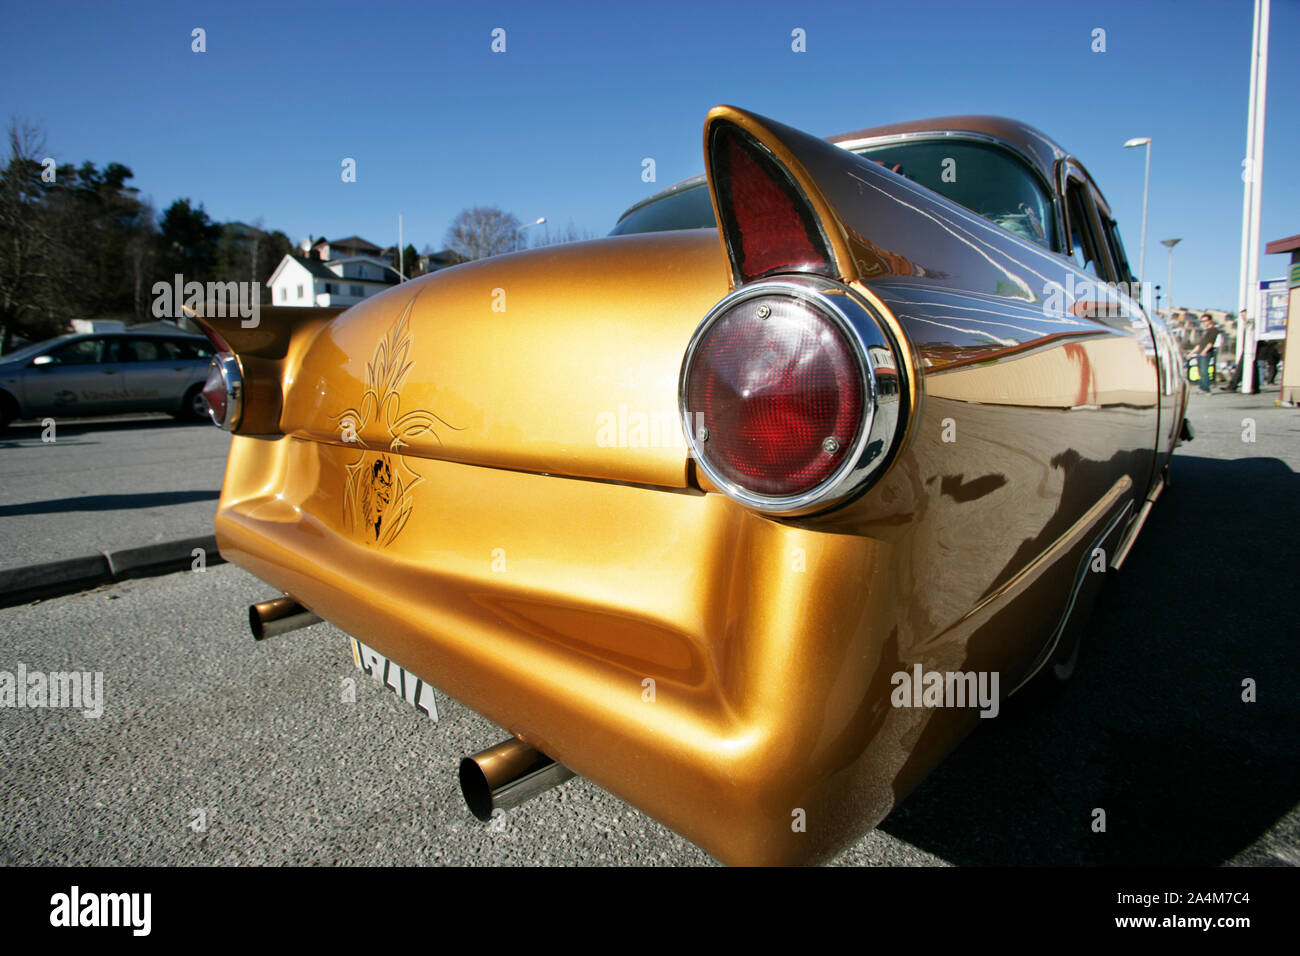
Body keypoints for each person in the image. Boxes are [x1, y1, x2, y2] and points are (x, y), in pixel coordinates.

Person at [1191, 313, 1217, 393]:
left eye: (1205, 321)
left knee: (1204, 371)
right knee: (1200, 371)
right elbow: (1200, 345)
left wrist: (1204, 351)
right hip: (1200, 352)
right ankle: (1202, 387)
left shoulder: (1213, 330)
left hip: (1205, 353)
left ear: (1210, 321)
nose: (1204, 323)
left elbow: (1210, 343)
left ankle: (1206, 388)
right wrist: (1191, 353)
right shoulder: (1205, 331)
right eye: (1202, 321)